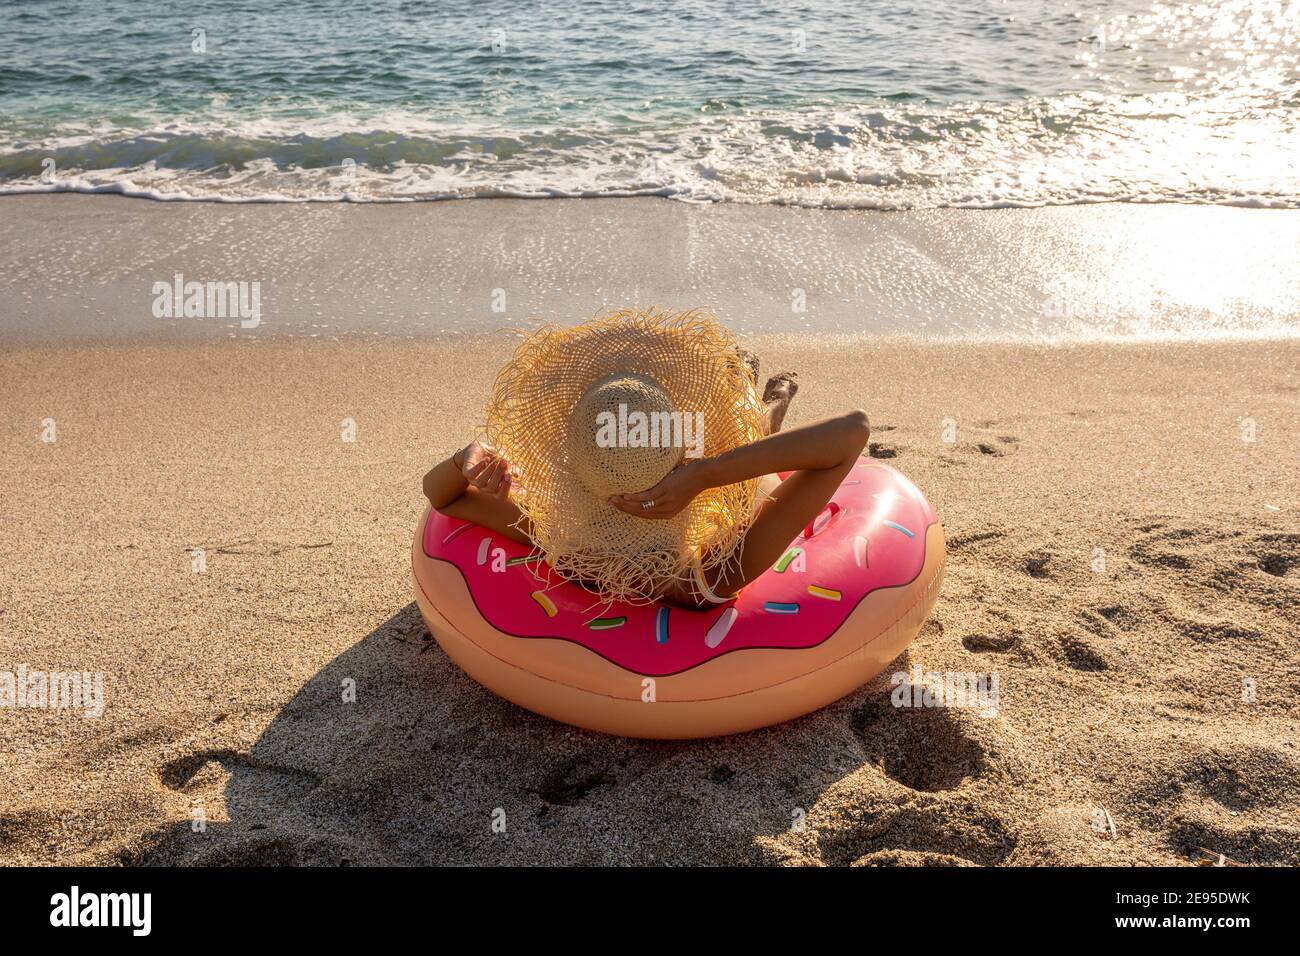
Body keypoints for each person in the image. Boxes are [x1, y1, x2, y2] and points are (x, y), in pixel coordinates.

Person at [422, 308, 869, 609]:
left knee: (707, 424)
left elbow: (444, 498)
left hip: (685, 461)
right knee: (752, 434)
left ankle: (753, 391)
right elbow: (853, 431)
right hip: (725, 478)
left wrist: (465, 459)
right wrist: (703, 475)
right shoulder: (709, 577)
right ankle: (768, 400)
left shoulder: (567, 538)